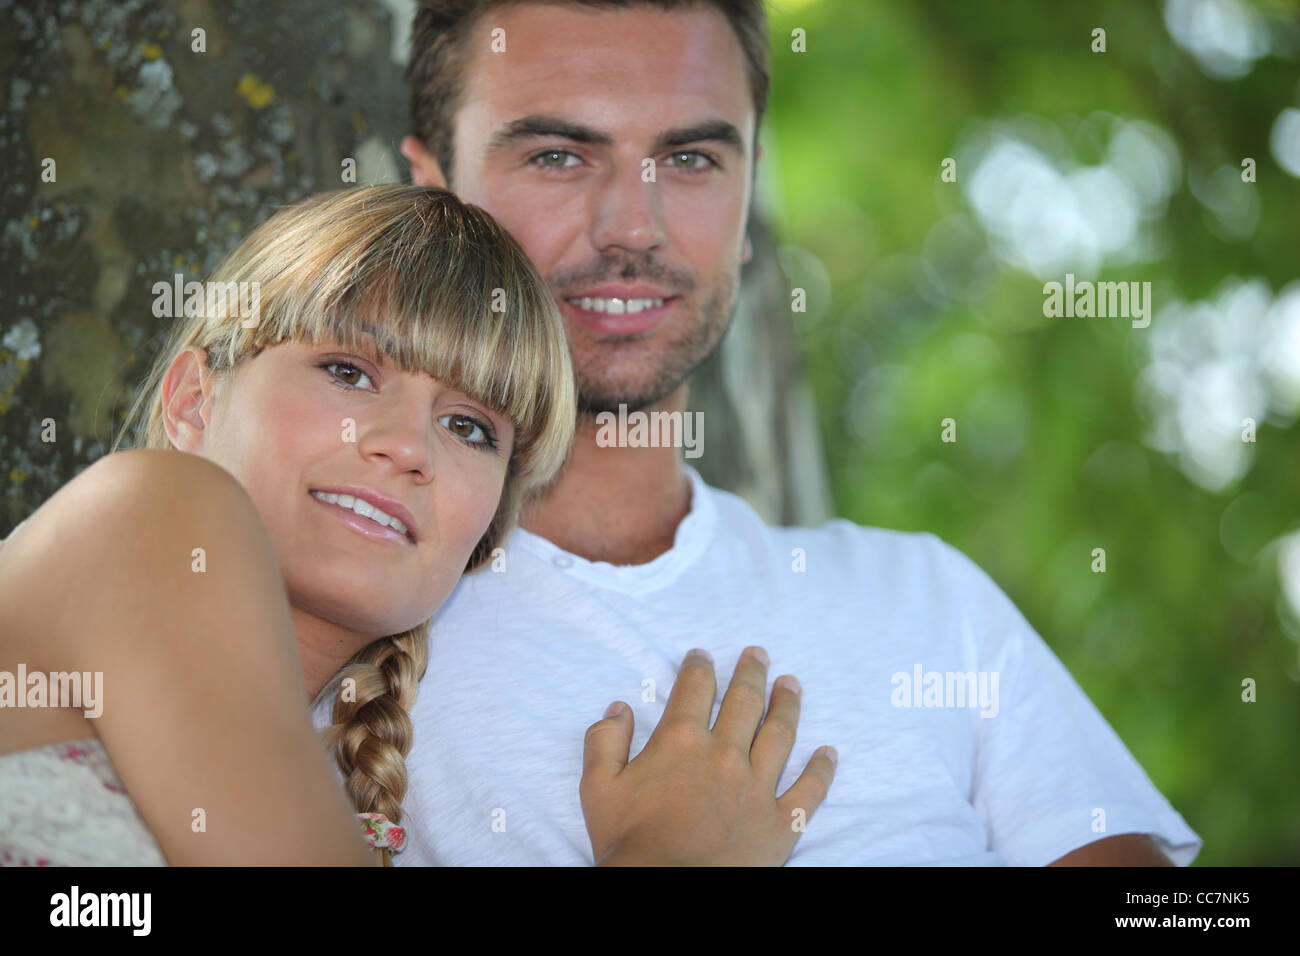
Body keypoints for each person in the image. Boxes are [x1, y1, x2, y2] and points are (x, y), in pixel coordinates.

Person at [389, 0, 1203, 865]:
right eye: (558, 155)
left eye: (692, 158)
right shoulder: (341, 629)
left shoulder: (927, 603)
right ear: (430, 188)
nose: (634, 226)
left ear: (747, 202)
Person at [0, 184, 837, 866]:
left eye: (470, 427)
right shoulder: (152, 511)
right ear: (192, 400)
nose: (406, 447)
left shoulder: (365, 807)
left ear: (486, 535)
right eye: (347, 370)